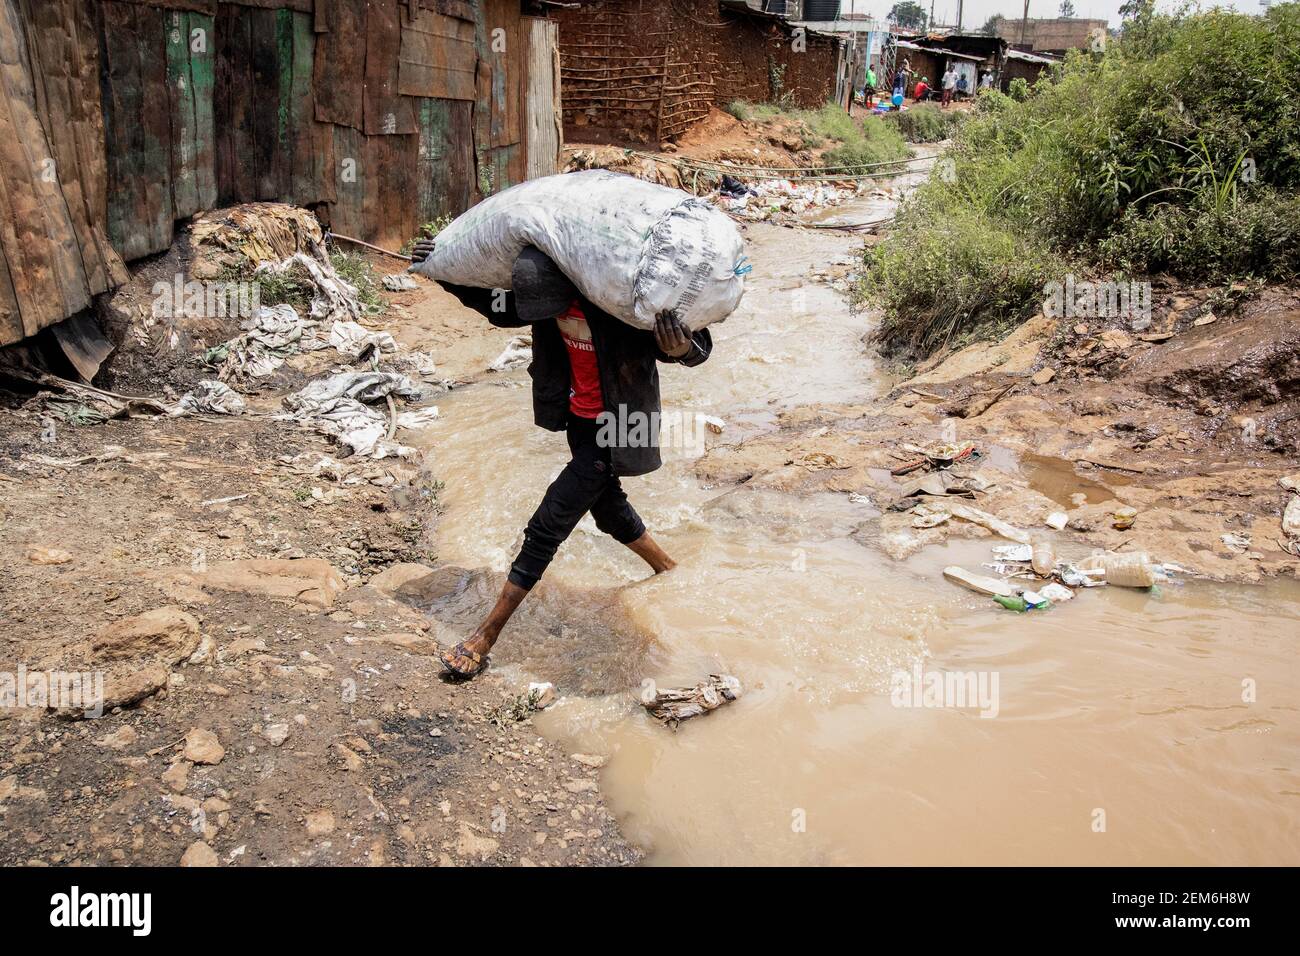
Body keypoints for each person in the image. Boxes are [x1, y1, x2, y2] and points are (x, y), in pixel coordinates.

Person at [409, 239, 713, 679]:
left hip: (623, 422)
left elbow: (698, 345)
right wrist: (439, 270)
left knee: (547, 524)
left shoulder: (619, 301)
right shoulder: (542, 297)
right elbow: (498, 307)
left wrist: (679, 349)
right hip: (579, 421)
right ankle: (667, 568)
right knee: (608, 507)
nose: (535, 310)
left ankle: (485, 635)